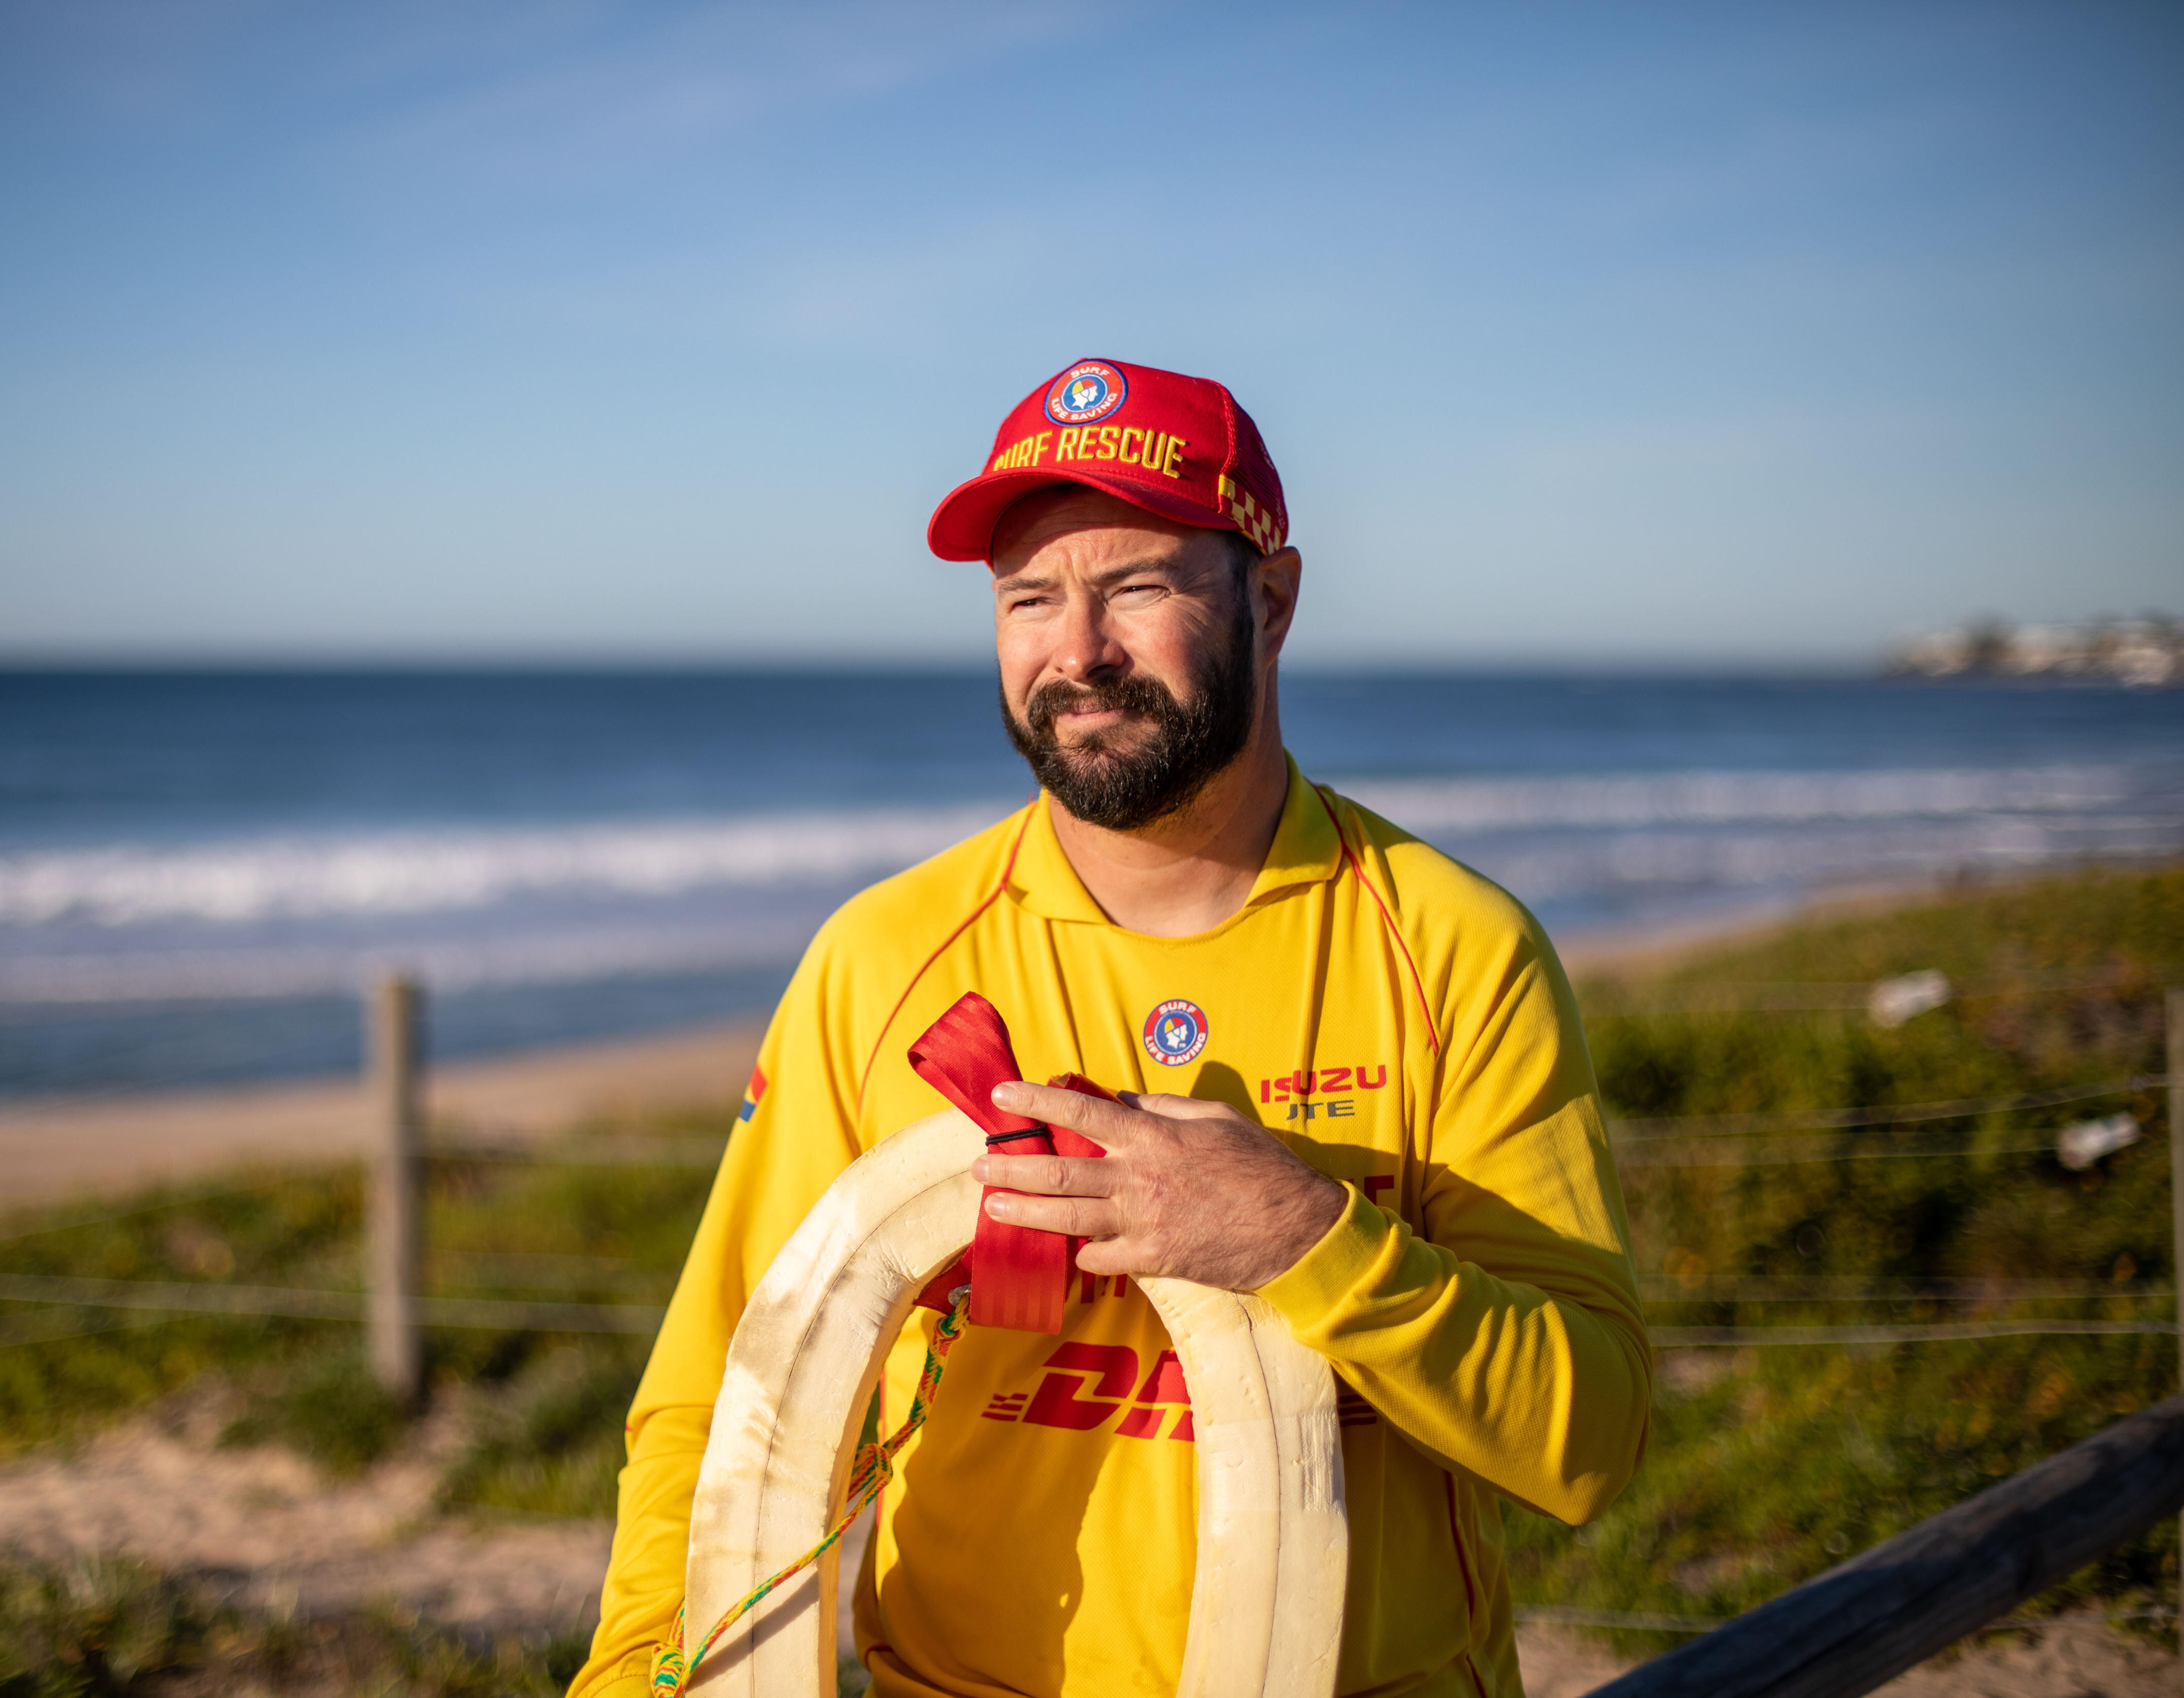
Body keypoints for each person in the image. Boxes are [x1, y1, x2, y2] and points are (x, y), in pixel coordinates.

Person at [569, 358, 1649, 1698]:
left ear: (1274, 598)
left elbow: (1586, 1441)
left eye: (1135, 585)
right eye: (1029, 599)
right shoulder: (883, 960)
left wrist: (1305, 1238)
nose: (1075, 651)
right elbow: (722, 1404)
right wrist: (637, 1678)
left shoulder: (1452, 949)